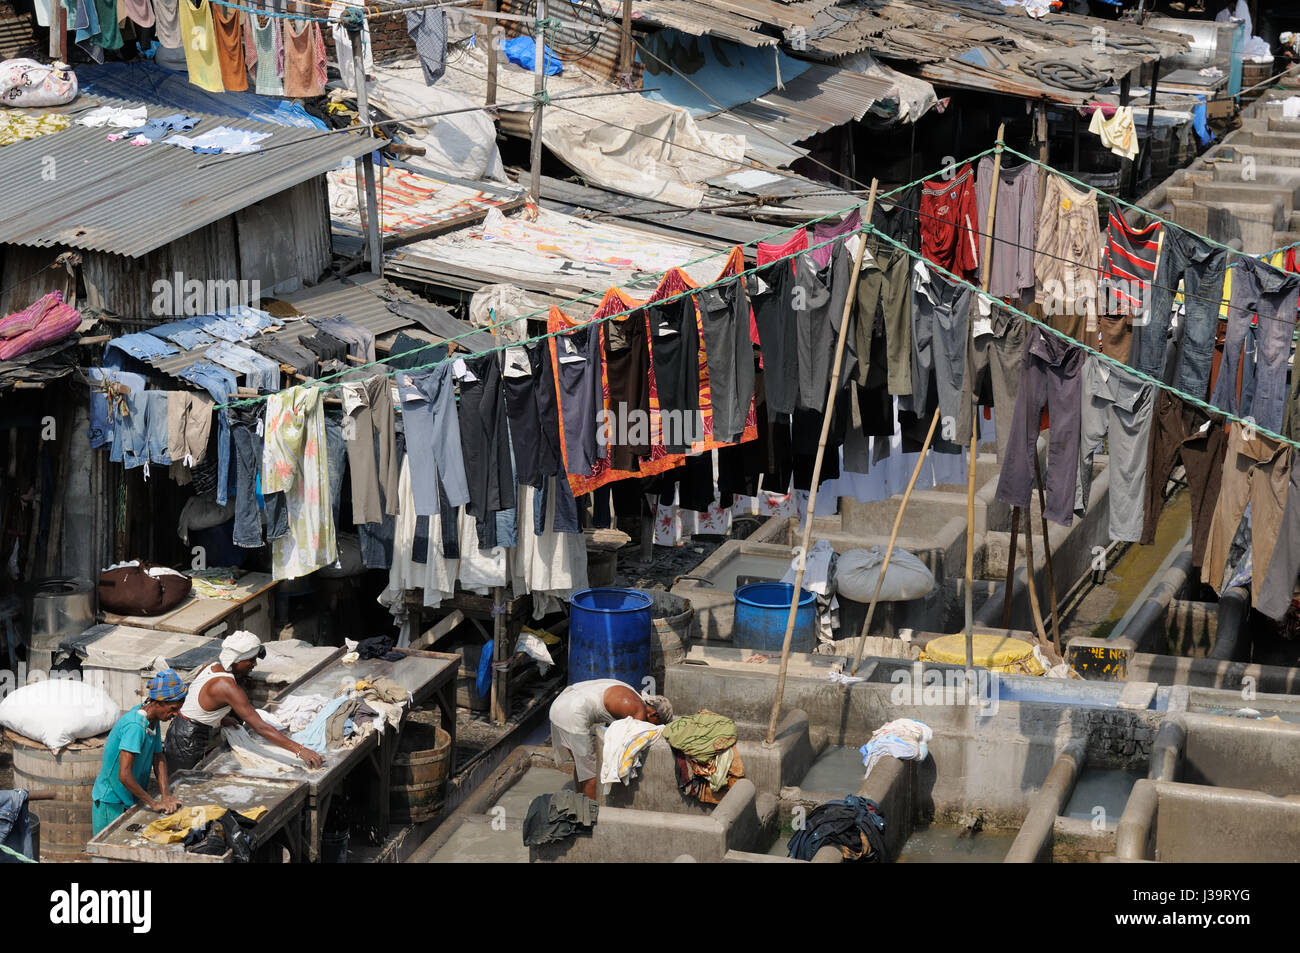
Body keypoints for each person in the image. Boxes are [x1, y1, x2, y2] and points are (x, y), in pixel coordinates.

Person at [164, 630, 325, 772]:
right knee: (185, 788)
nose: (254, 664)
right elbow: (260, 726)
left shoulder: (211, 667)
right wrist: (300, 750)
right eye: (251, 660)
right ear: (237, 660)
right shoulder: (228, 687)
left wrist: (219, 718)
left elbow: (197, 703)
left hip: (179, 729)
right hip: (188, 740)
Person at [91, 669, 187, 835]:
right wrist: (154, 803)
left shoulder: (152, 719)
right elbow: (124, 775)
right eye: (173, 709)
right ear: (159, 702)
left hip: (130, 797)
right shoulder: (135, 727)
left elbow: (158, 757)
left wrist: (165, 794)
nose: (175, 714)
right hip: (112, 800)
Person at [548, 679, 674, 801]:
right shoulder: (638, 713)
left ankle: (579, 802)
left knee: (582, 767)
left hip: (561, 703)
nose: (654, 726)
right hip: (572, 715)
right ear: (654, 714)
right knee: (592, 775)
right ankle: (589, 817)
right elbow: (626, 747)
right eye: (658, 723)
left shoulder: (631, 693)